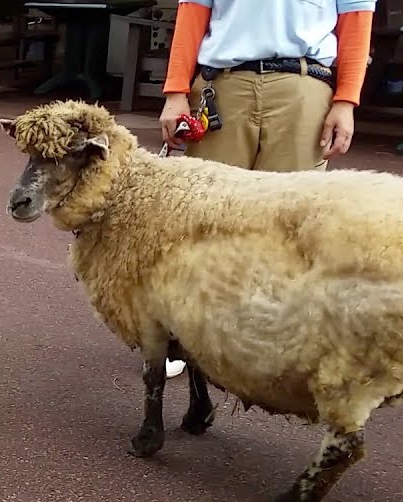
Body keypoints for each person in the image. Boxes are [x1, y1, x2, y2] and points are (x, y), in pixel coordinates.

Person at [155, 0, 374, 379]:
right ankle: (189, 338)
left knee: (292, 225)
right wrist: (176, 91)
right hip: (222, 84)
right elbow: (192, 13)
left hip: (304, 86)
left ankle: (266, 342)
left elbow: (355, 24)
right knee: (204, 218)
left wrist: (346, 101)